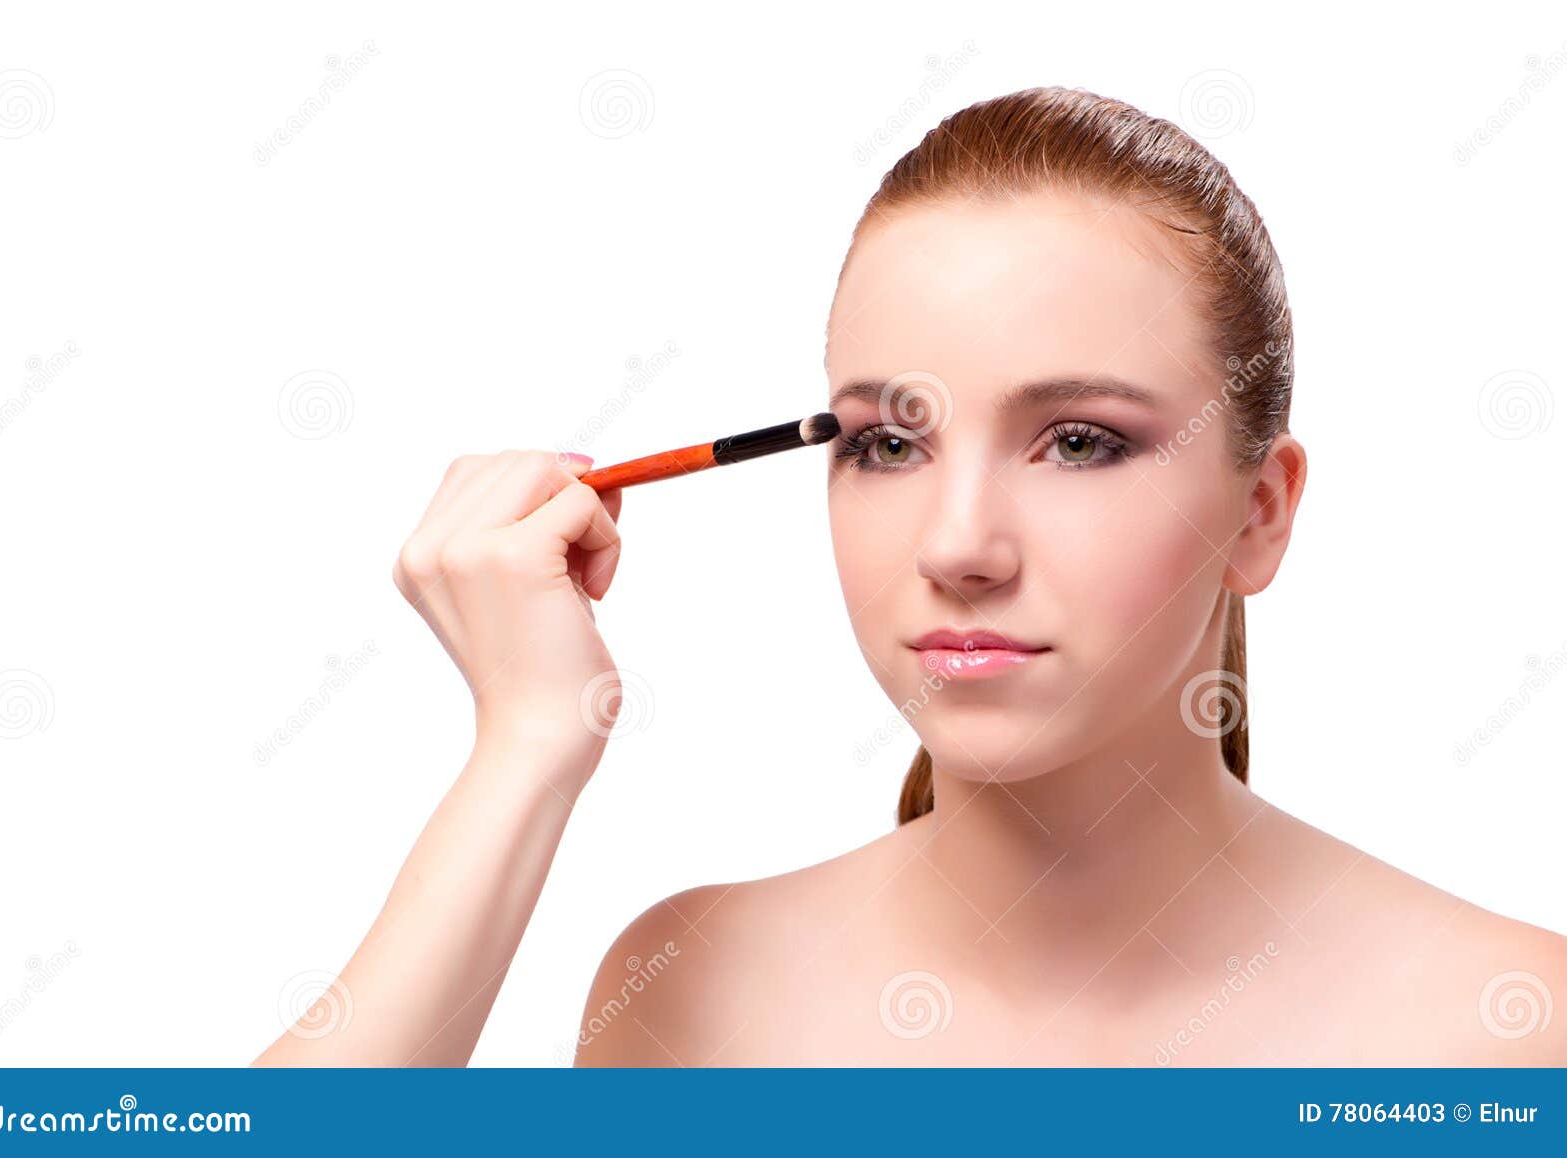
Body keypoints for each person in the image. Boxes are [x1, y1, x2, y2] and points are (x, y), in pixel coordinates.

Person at [255, 86, 1566, 1068]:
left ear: (1262, 512)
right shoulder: (688, 997)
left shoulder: (1507, 1029)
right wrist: (525, 748)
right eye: (889, 442)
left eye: (1080, 442)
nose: (959, 545)